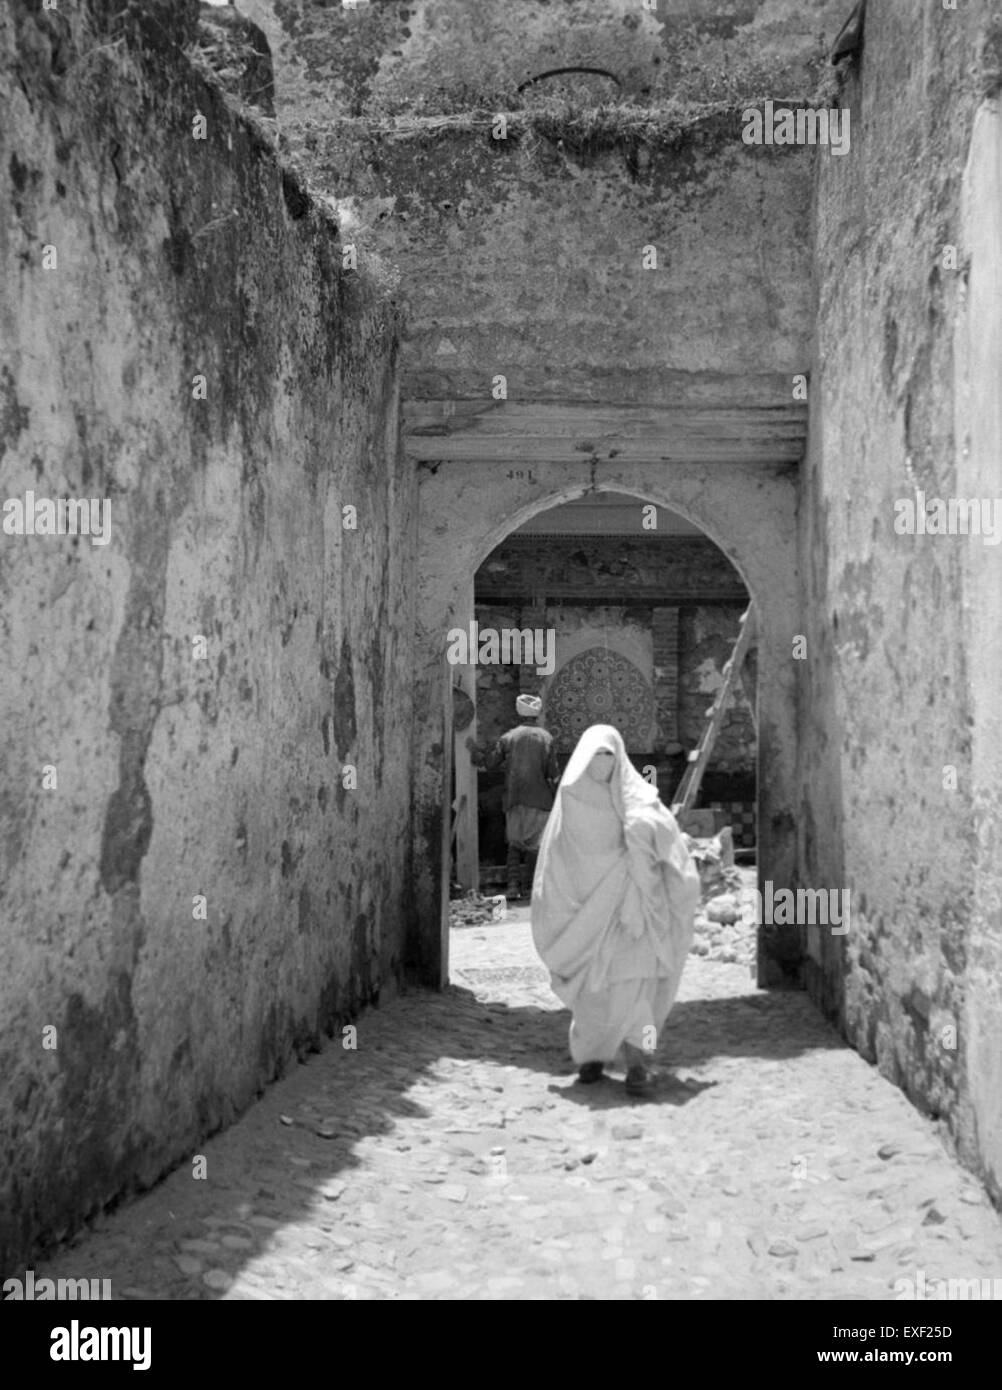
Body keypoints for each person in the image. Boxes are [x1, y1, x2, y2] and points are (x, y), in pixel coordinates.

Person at [530, 723, 700, 1096]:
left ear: (620, 758)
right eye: (595, 755)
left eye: (609, 755)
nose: (602, 762)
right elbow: (555, 871)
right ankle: (591, 1058)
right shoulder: (571, 805)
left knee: (637, 996)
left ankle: (638, 1065)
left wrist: (645, 836)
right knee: (593, 1000)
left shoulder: (638, 800)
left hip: (636, 916)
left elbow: (666, 844)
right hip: (586, 927)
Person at [467, 693, 560, 900]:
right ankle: (528, 888)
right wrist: (556, 800)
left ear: (519, 713)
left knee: (515, 844)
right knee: (535, 846)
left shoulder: (509, 737)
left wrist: (475, 751)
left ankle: (512, 887)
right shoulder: (546, 739)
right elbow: (553, 775)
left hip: (514, 799)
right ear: (537, 714)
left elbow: (490, 763)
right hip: (541, 800)